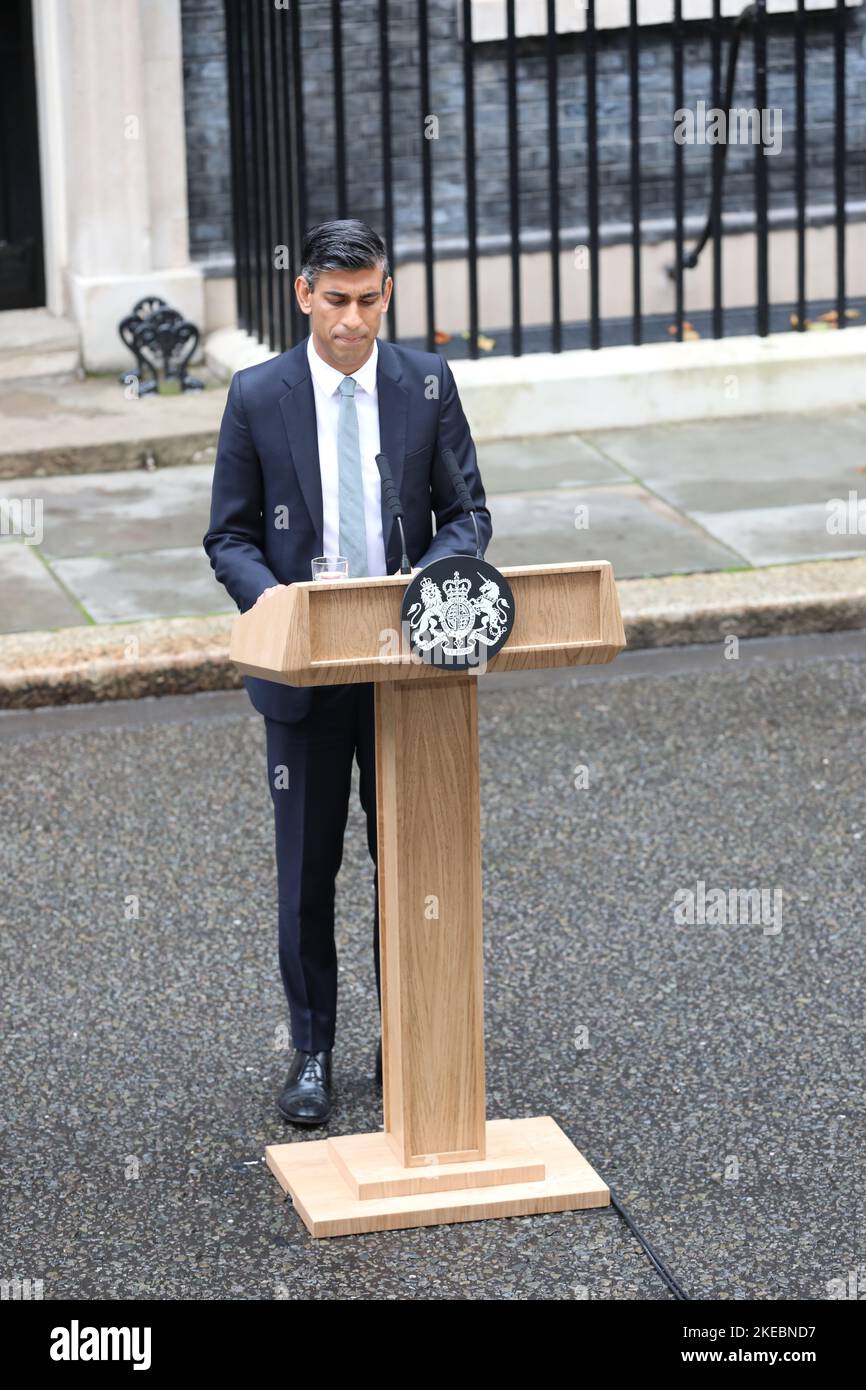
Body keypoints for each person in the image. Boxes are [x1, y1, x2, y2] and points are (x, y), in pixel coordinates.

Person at [203, 219, 492, 1125]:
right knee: (308, 871)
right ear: (304, 297)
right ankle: (313, 1050)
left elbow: (468, 513)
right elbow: (230, 536)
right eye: (336, 302)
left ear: (388, 292)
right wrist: (278, 607)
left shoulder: (427, 382)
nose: (353, 322)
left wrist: (429, 577)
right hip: (306, 670)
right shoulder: (258, 395)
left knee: (409, 862)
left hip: (409, 667)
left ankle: (408, 1032)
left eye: (369, 300)